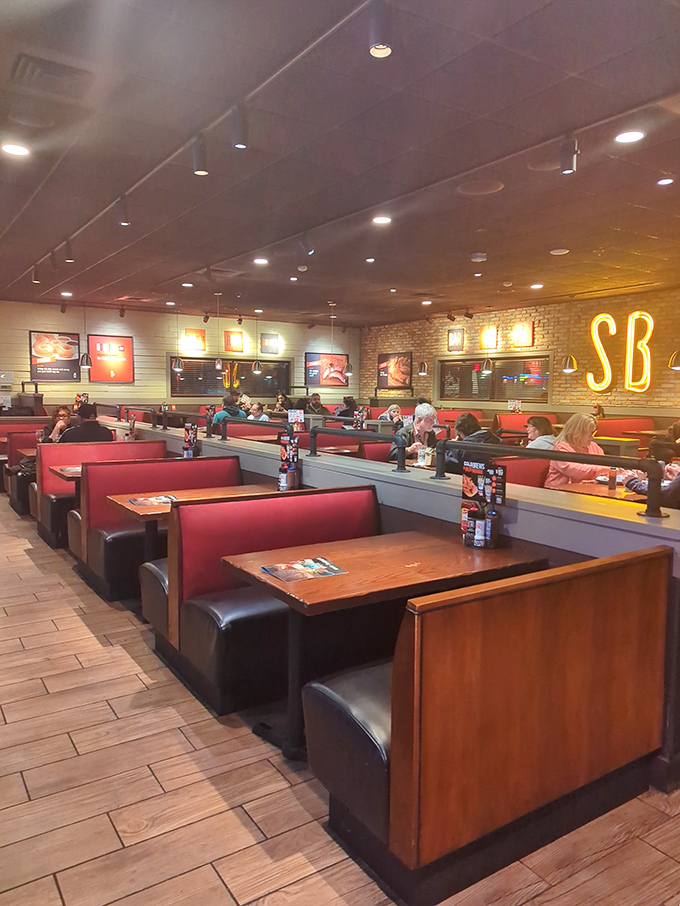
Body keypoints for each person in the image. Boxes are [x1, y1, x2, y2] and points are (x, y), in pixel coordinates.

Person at [544, 413, 609, 488]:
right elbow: (575, 471)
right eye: (590, 433)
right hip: (558, 492)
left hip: (586, 490)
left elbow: (606, 469)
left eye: (594, 432)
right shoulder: (561, 449)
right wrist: (605, 470)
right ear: (578, 433)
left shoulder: (594, 446)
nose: (592, 437)